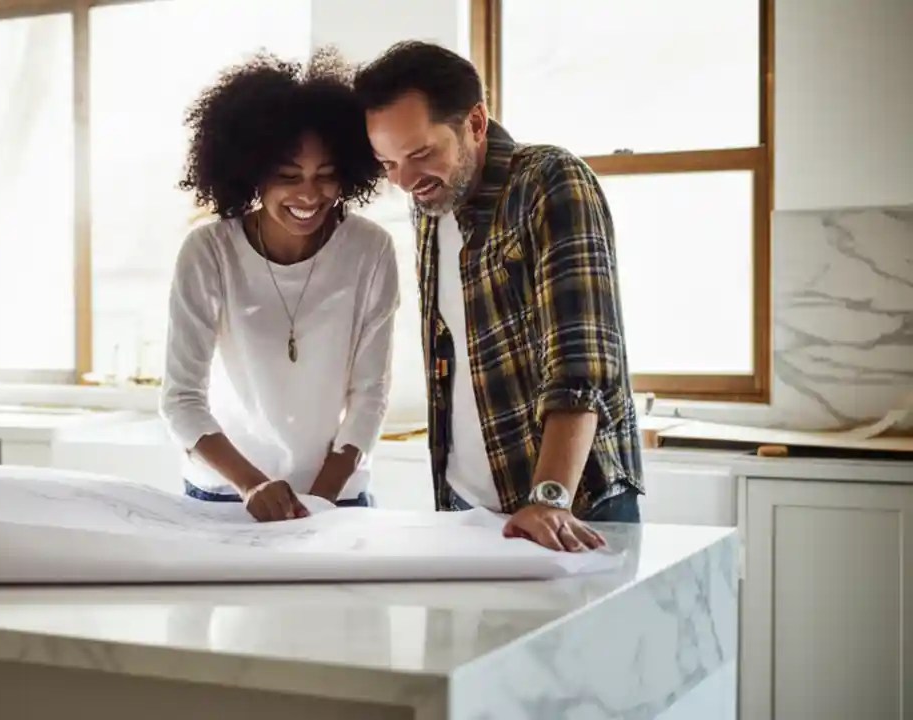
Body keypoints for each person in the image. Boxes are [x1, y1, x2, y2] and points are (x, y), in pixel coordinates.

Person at [354, 41, 644, 552]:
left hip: (569, 508)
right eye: (387, 163)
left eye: (420, 154)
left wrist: (550, 498)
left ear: (476, 122)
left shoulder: (549, 181)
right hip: (469, 510)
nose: (405, 181)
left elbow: (581, 363)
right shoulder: (431, 203)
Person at [160, 48, 399, 523]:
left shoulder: (370, 249)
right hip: (227, 494)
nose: (309, 194)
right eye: (288, 177)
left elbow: (370, 395)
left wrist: (319, 501)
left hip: (336, 496)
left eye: (326, 176)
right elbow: (181, 399)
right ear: (253, 175)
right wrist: (253, 485)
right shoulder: (209, 252)